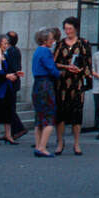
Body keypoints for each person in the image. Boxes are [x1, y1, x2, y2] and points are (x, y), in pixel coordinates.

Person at [53, 17, 91, 156]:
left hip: (77, 82)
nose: (67, 31)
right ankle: (60, 142)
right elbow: (53, 62)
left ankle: (76, 143)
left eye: (70, 28)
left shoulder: (83, 43)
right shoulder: (60, 44)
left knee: (76, 113)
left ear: (76, 28)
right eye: (66, 29)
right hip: (62, 82)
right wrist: (65, 66)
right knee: (61, 114)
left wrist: (82, 71)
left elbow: (88, 63)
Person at [31, 28, 60, 157]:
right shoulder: (46, 51)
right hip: (46, 84)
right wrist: (60, 74)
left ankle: (38, 146)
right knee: (49, 117)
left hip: (37, 83)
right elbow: (51, 68)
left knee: (39, 118)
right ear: (46, 40)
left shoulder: (37, 51)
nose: (53, 41)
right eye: (51, 38)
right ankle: (43, 147)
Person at [4, 31, 28, 141]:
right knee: (9, 107)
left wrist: (12, 75)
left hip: (11, 82)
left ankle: (18, 129)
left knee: (9, 107)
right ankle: (11, 131)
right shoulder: (13, 50)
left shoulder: (12, 51)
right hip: (12, 81)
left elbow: (14, 66)